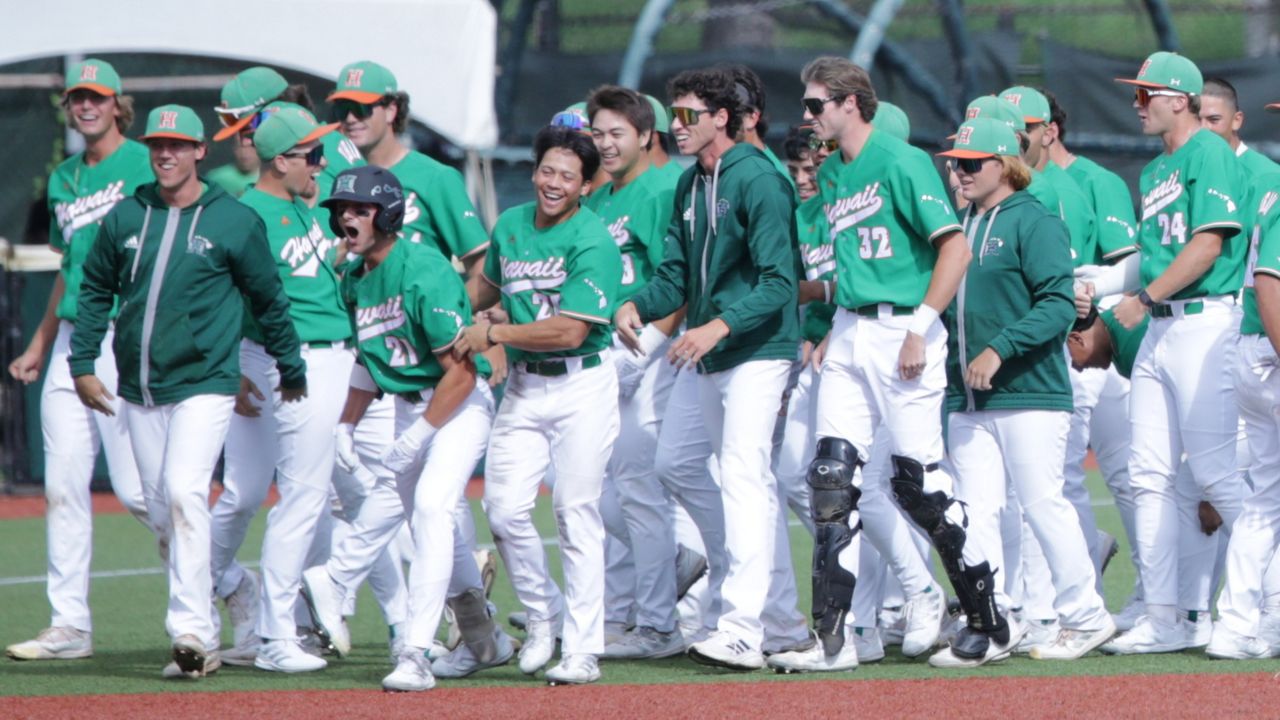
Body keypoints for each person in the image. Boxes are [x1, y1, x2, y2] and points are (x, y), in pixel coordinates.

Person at [69, 105, 305, 678]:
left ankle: (193, 633)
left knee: (183, 492)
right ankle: (232, 592)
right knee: (157, 509)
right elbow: (96, 289)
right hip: (140, 386)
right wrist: (81, 362)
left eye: (178, 145)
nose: (166, 154)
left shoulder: (232, 219)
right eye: (157, 145)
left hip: (205, 382)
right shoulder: (127, 215)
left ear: (202, 150)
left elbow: (268, 297)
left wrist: (289, 365)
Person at [615, 66, 808, 671]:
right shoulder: (689, 183)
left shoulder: (761, 180)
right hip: (709, 351)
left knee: (746, 477)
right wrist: (637, 304)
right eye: (673, 115)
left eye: (688, 115)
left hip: (757, 351)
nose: (676, 126)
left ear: (722, 117)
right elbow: (674, 273)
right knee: (675, 463)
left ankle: (743, 626)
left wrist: (718, 325)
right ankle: (772, 613)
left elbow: (782, 282)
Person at [307, 165, 507, 690]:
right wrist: (346, 425)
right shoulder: (353, 277)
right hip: (405, 403)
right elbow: (366, 359)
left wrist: (417, 437)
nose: (346, 216)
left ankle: (413, 650)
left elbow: (461, 374)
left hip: (457, 404)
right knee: (427, 525)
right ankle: (484, 639)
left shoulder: (422, 268)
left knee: (433, 506)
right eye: (340, 209)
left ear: (389, 214)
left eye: (359, 208)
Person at [1080, 51, 1246, 655]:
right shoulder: (1156, 171)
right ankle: (1164, 616)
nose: (1136, 104)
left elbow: (1208, 246)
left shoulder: (1210, 153)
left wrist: (1144, 297)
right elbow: (1151, 256)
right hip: (1160, 328)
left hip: (1206, 324)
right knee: (1149, 476)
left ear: (1180, 98)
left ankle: (1262, 605)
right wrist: (1104, 285)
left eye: (1146, 94)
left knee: (1215, 475)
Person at [937, 116, 1116, 662]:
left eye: (970, 164)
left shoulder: (1032, 219)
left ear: (1003, 165)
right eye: (953, 163)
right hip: (969, 397)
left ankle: (1086, 617)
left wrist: (1000, 348)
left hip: (1031, 390)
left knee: (1042, 504)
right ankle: (994, 622)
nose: (958, 173)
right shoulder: (961, 224)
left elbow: (1059, 303)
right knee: (976, 511)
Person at [458, 125, 623, 685]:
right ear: (534, 172)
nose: (554, 183)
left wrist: (496, 336)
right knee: (502, 509)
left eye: (567, 176)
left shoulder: (594, 239)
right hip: (526, 386)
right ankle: (543, 615)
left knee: (576, 513)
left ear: (585, 185)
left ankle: (582, 649)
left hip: (582, 386)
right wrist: (439, 293)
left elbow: (571, 333)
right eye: (547, 171)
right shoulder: (510, 225)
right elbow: (482, 293)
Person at [5, 57, 154, 663]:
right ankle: (70, 624)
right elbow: (69, 272)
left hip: (126, 335)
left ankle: (224, 583)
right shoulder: (65, 178)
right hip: (72, 340)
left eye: (96, 97)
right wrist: (40, 344)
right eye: (77, 98)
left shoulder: (146, 162)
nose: (86, 106)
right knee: (63, 483)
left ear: (119, 104)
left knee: (139, 489)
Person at [207, 104, 352, 673]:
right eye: (312, 155)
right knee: (299, 497)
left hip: (314, 358)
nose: (322, 162)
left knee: (258, 492)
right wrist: (230, 367)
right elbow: (222, 297)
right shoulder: (249, 214)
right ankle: (275, 635)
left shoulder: (303, 207)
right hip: (288, 362)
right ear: (282, 160)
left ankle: (223, 614)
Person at [582, 84, 686, 660]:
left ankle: (658, 624)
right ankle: (654, 585)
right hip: (599, 352)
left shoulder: (663, 189)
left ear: (647, 135)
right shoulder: (601, 198)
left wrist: (647, 345)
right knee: (597, 491)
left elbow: (680, 279)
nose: (605, 143)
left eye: (616, 132)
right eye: (598, 133)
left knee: (639, 490)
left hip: (644, 354)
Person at [1044, 88, 1146, 629]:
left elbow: (1133, 263)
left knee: (1127, 473)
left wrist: (1094, 293)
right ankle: (1081, 579)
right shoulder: (1011, 188)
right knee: (1059, 477)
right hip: (1060, 343)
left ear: (1049, 131)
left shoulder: (1095, 181)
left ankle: (1153, 593)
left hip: (1101, 344)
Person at [1207, 97, 1280, 659]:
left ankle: (1239, 626)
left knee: (1263, 499)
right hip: (1270, 351)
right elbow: (1268, 280)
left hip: (1253, 350)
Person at [329, 60, 489, 276]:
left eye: (361, 108)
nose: (350, 118)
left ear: (391, 111)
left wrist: (447, 308)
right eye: (342, 109)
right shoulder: (336, 177)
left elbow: (482, 271)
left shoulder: (435, 177)